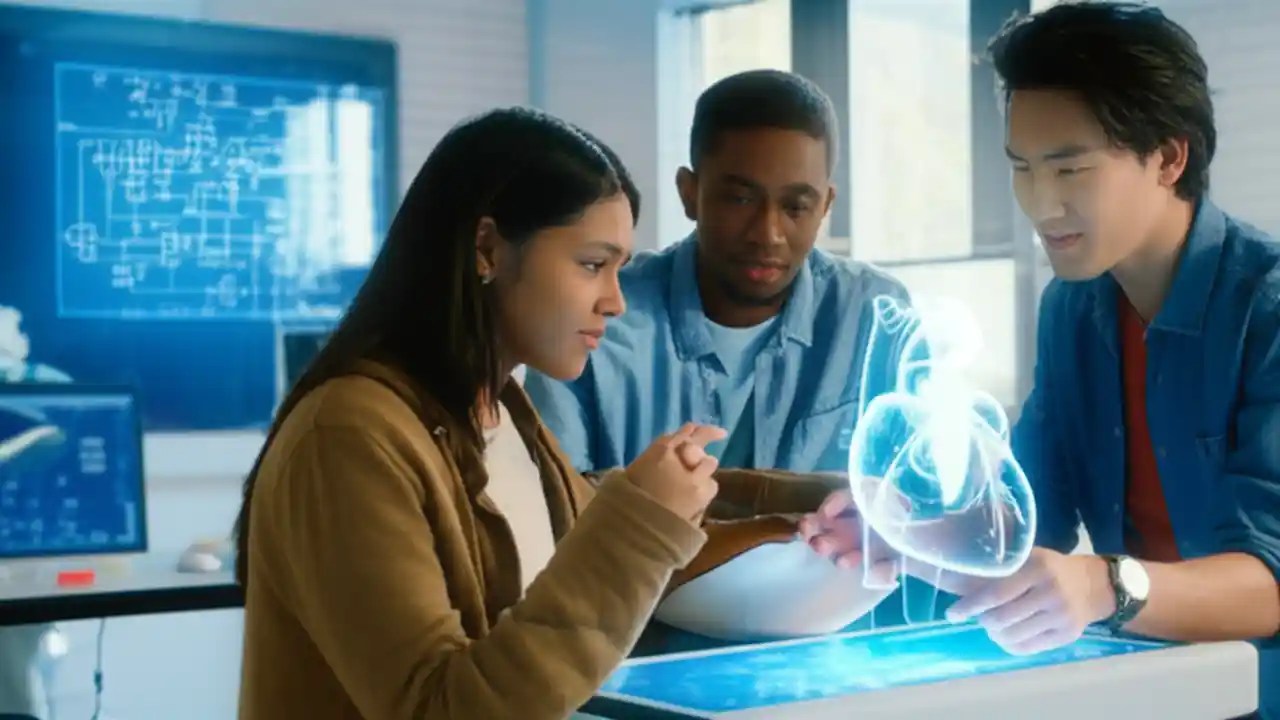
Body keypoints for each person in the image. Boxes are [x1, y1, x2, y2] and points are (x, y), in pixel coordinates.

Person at [232, 107, 845, 720]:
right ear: (487, 248)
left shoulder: (502, 414)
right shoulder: (348, 436)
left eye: (619, 269)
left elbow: (603, 517)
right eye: (591, 265)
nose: (613, 300)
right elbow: (438, 707)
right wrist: (645, 522)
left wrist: (840, 497)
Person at [803, 3, 1280, 716]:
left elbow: (1270, 583)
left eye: (1070, 167)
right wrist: (906, 538)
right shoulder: (1073, 309)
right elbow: (1028, 528)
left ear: (1169, 157)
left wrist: (1102, 586)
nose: (1040, 202)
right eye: (1021, 168)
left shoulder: (1266, 306)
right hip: (1148, 687)